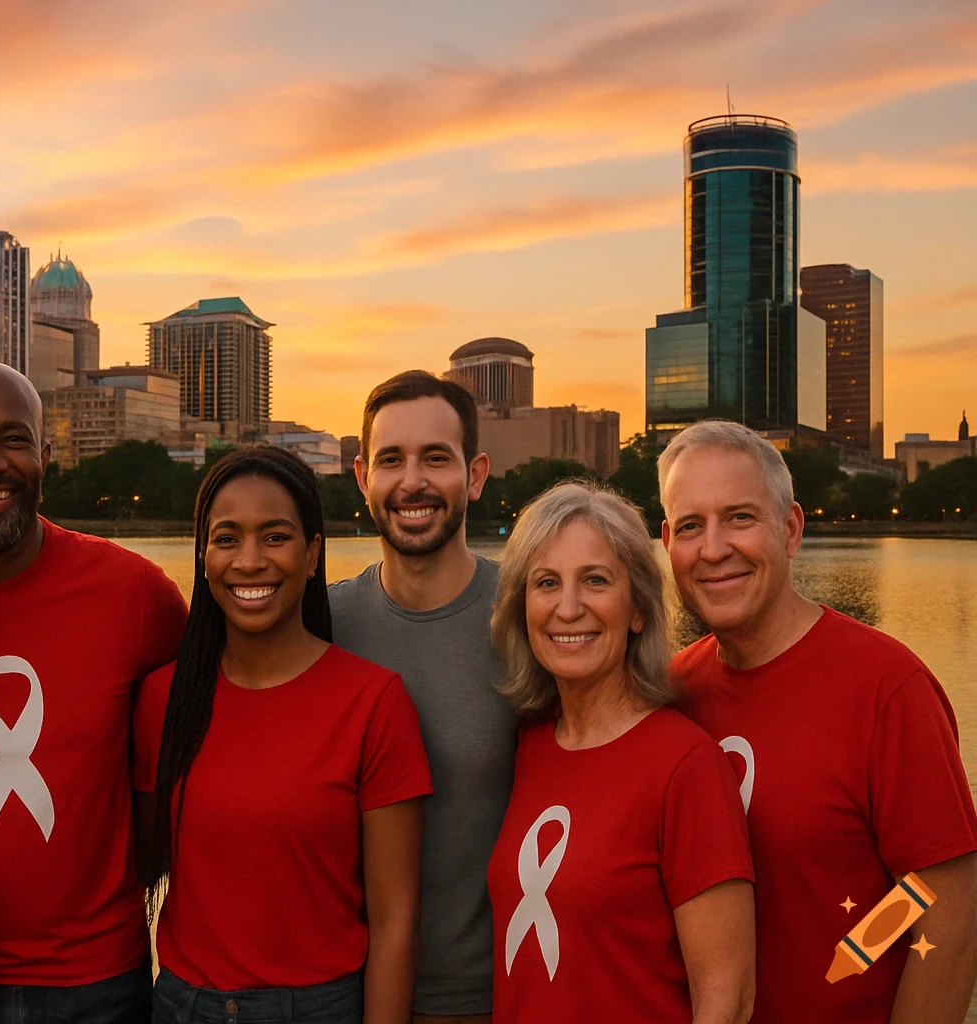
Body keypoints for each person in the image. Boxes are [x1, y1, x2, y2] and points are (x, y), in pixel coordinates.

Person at [660, 420, 977, 1024]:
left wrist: (856, 954)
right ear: (668, 541)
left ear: (790, 529)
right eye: (692, 526)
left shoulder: (887, 688)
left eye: (740, 518)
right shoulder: (670, 692)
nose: (714, 548)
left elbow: (947, 913)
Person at [0, 360, 187, 1023]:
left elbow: (213, 724)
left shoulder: (136, 596)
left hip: (99, 982)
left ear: (47, 456)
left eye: (15, 439)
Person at [134, 445, 433, 1024]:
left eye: (275, 537)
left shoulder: (373, 703)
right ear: (203, 556)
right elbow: (141, 867)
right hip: (180, 1005)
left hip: (319, 1008)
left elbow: (396, 923)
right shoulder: (162, 702)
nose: (249, 561)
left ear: (313, 553)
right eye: (227, 539)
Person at [487, 482, 755, 1023]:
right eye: (546, 583)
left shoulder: (685, 764)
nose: (568, 608)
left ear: (637, 610)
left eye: (595, 580)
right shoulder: (531, 744)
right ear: (523, 608)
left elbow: (728, 996)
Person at [328, 370, 518, 1022]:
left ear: (475, 473)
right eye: (391, 460)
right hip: (334, 997)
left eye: (436, 458)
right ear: (361, 476)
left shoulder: (535, 621)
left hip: (494, 1000)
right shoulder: (319, 628)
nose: (412, 481)